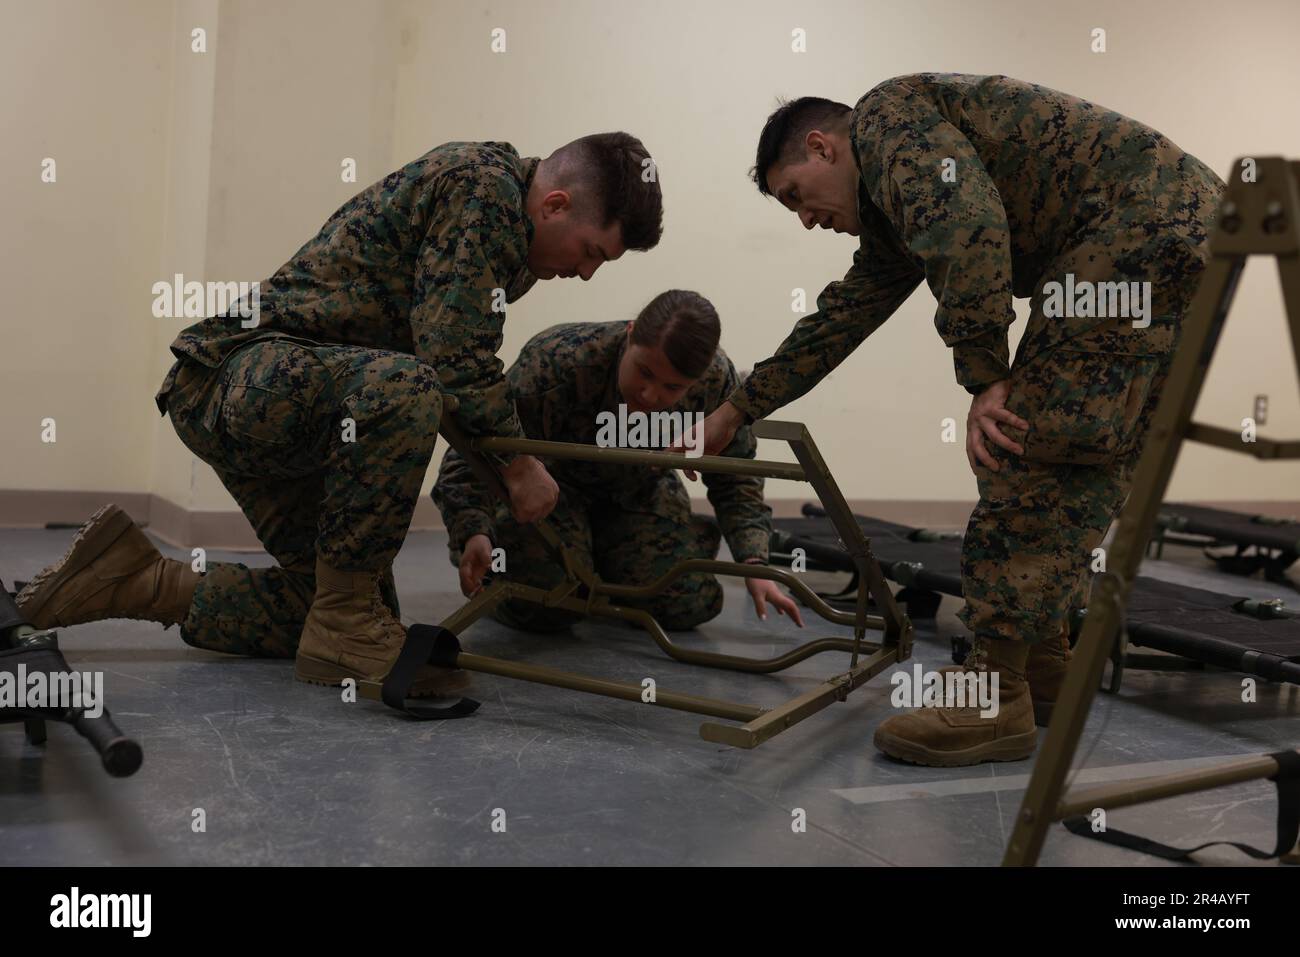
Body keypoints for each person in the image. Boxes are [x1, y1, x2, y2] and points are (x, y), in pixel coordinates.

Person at [683, 73, 1224, 765]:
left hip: (1135, 233)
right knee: (1086, 450)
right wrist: (738, 407)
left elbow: (969, 228)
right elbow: (844, 316)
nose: (806, 219)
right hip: (1189, 233)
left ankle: (994, 691)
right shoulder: (893, 205)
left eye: (796, 195)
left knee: (1018, 442)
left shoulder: (885, 121)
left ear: (822, 146)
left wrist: (986, 375)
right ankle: (1043, 663)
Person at [18, 133, 663, 696]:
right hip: (239, 375)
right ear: (556, 204)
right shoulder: (483, 191)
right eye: (591, 253)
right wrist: (520, 466)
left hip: (305, 405)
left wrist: (496, 487)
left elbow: (452, 367)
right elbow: (453, 361)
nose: (584, 274)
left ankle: (132, 580)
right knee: (409, 391)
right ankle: (343, 625)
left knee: (333, 604)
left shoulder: (508, 237)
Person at [433, 290, 803, 632]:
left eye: (673, 388)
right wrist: (473, 531)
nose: (650, 394)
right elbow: (471, 452)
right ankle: (557, 566)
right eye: (644, 371)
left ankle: (632, 554)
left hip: (641, 491)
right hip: (552, 497)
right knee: (550, 606)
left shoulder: (716, 381)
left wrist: (755, 563)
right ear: (629, 335)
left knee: (690, 604)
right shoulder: (559, 361)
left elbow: (736, 479)